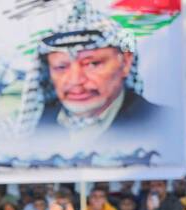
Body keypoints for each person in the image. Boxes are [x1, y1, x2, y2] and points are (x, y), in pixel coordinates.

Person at [30, 1, 173, 146]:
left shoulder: (164, 123)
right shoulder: (35, 127)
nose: (75, 80)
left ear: (125, 63)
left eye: (92, 64)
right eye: (61, 67)